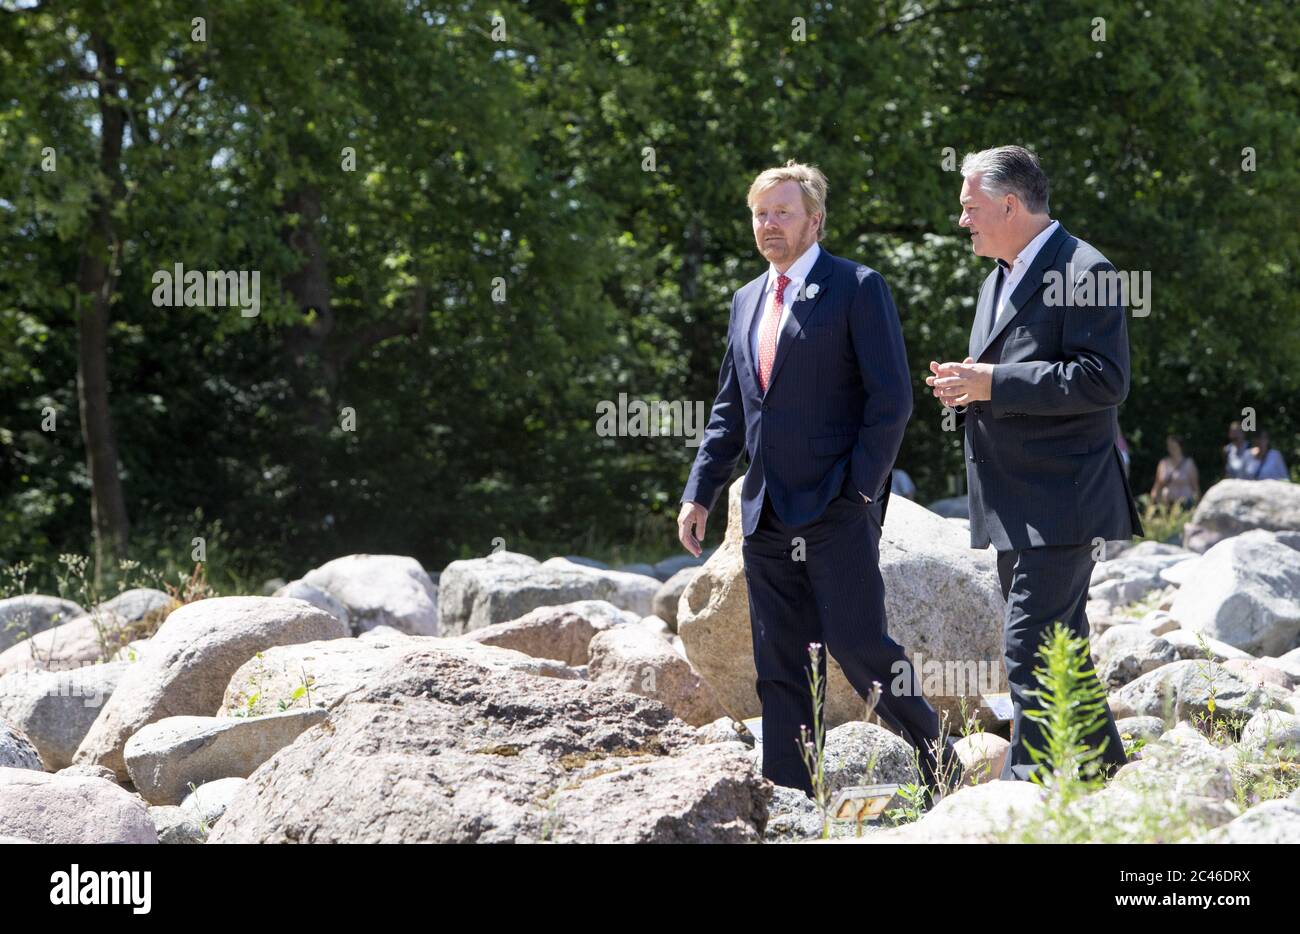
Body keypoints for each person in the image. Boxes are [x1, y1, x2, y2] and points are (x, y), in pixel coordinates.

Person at [677, 160, 954, 802]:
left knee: (861, 649)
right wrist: (701, 491)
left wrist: (859, 491)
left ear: (815, 220)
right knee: (781, 663)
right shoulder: (748, 298)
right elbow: (731, 409)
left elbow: (892, 400)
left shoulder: (857, 287)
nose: (769, 225)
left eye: (783, 213)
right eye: (760, 214)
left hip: (837, 508)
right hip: (765, 511)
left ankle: (942, 766)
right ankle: (793, 798)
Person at [925, 145, 1139, 783]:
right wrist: (970, 386)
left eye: (970, 207)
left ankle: (1026, 798)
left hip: (1064, 503)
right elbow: (1011, 377)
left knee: (1028, 650)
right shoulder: (999, 275)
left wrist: (993, 382)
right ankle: (1109, 783)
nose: (962, 220)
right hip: (1014, 505)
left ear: (1009, 204)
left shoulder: (1085, 268)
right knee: (1061, 653)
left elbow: (1105, 380)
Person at [1149, 435, 1199, 508]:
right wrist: (1151, 504)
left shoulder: (1189, 463)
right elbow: (1157, 485)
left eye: (1173, 445)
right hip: (1167, 504)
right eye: (1169, 445)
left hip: (1186, 505)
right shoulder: (1163, 463)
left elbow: (1195, 487)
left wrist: (1197, 504)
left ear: (1180, 446)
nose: (1171, 448)